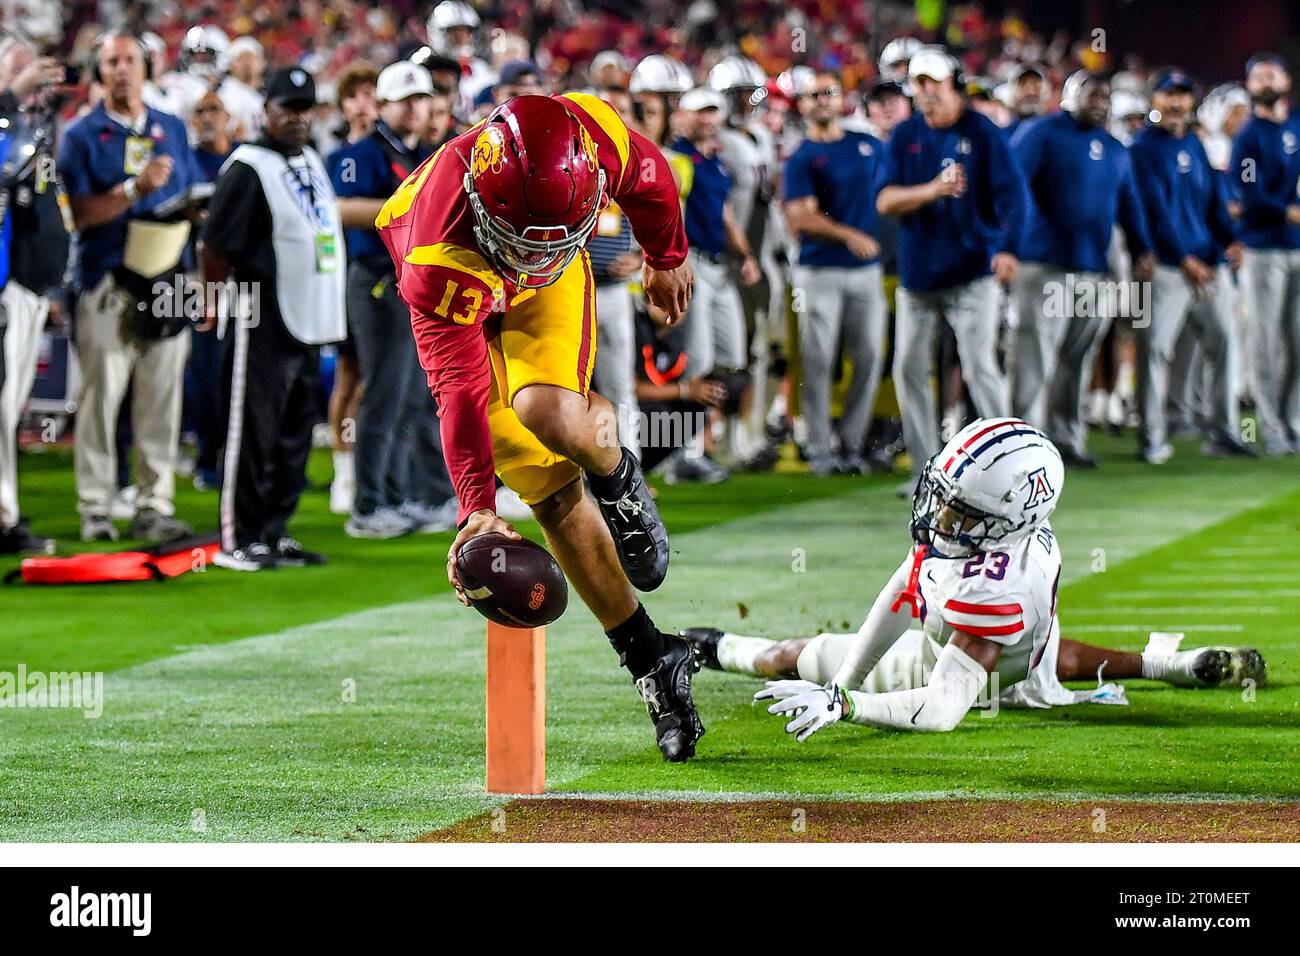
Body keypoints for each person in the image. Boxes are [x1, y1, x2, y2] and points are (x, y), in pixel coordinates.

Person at [374, 92, 702, 761]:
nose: (541, 257)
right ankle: (651, 661)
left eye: (556, 243)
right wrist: (476, 511)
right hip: (467, 286)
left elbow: (652, 176)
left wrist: (665, 253)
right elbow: (458, 392)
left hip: (522, 277)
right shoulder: (436, 253)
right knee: (550, 493)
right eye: (527, 246)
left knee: (547, 409)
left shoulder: (592, 134)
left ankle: (620, 479)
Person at [679, 418, 1266, 737]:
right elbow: (902, 589)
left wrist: (849, 704)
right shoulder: (1011, 534)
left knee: (787, 655)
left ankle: (714, 647)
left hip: (971, 674)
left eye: (960, 511)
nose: (939, 516)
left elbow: (939, 709)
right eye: (943, 496)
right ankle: (1170, 665)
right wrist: (847, 683)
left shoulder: (993, 588)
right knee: (1050, 658)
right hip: (1030, 652)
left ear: (1009, 517)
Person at [58, 32, 202, 543]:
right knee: (101, 398)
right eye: (111, 62)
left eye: (130, 61)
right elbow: (76, 216)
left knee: (161, 400)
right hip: (107, 281)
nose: (122, 70)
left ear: (147, 68)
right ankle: (96, 507)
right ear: (99, 73)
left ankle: (153, 504)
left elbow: (186, 191)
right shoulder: (79, 135)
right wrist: (132, 190)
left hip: (166, 276)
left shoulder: (170, 127)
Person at [200, 68, 346, 570]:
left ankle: (275, 528)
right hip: (260, 314)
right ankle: (239, 536)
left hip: (308, 315)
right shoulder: (247, 167)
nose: (299, 118)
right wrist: (213, 300)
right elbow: (215, 245)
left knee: (293, 430)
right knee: (252, 429)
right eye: (289, 108)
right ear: (267, 110)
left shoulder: (308, 158)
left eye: (306, 108)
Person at [877, 46, 1025, 497]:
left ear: (955, 86)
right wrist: (931, 191)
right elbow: (884, 201)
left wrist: (1008, 248)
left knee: (981, 366)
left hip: (973, 272)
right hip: (919, 277)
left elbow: (1014, 197)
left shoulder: (982, 132)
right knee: (908, 369)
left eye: (933, 84)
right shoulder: (904, 135)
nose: (925, 94)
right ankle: (929, 475)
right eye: (918, 85)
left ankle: (1012, 467)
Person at [329, 62, 453, 539]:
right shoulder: (360, 154)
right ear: (382, 105)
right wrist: (416, 212)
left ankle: (410, 494)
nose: (414, 108)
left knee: (416, 396)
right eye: (404, 100)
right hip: (379, 281)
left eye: (420, 99)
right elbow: (341, 209)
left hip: (419, 286)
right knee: (383, 394)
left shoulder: (426, 153)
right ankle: (368, 504)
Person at [1009, 71, 1155, 467]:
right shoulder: (1041, 133)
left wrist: (1142, 247)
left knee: (1078, 358)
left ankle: (1065, 439)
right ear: (1068, 96)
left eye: (1104, 96)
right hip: (1043, 266)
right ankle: (1019, 447)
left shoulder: (1114, 148)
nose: (1099, 102)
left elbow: (1129, 203)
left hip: (1092, 268)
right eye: (1090, 94)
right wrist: (1008, 244)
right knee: (1033, 357)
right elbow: (1012, 184)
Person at [1129, 70, 1248, 464]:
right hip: (1167, 269)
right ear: (1154, 100)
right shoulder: (1142, 147)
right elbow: (1153, 212)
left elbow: (1213, 200)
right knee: (1154, 351)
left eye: (1182, 96)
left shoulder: (1194, 144)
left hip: (1207, 266)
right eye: (1169, 96)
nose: (1177, 103)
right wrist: (1185, 259)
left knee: (1224, 343)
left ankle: (1224, 431)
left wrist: (1229, 240)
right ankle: (1152, 437)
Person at [783, 70, 889, 475]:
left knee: (869, 357)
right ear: (805, 105)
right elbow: (799, 217)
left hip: (866, 270)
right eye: (815, 95)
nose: (823, 100)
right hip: (818, 271)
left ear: (841, 98)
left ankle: (852, 444)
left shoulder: (866, 144)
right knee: (817, 360)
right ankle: (820, 448)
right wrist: (849, 235)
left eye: (829, 92)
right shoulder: (802, 156)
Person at [670, 86, 760, 481]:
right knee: (699, 359)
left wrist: (745, 253)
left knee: (732, 358)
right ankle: (684, 452)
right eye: (699, 112)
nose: (707, 119)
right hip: (691, 262)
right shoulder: (676, 156)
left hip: (719, 265)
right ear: (683, 116)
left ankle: (709, 442)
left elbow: (723, 212)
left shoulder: (715, 160)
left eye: (712, 112)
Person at [0, 37, 68, 555]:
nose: (33, 78)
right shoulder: (7, 123)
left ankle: (5, 512)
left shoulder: (31, 128)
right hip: (7, 284)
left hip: (25, 284)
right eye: (19, 68)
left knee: (10, 406)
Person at [1232, 54, 1300, 456]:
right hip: (1264, 247)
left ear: (1286, 80)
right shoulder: (1248, 134)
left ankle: (1293, 421)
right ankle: (1270, 428)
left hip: (1297, 246)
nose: (1264, 81)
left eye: (1270, 73)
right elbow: (1247, 190)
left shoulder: (1295, 124)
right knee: (1265, 341)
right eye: (1257, 76)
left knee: (1297, 340)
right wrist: (1286, 210)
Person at [323, 62, 379, 515]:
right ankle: (343, 471)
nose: (366, 104)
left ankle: (364, 465)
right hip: (346, 274)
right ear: (343, 105)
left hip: (380, 277)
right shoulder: (337, 156)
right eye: (356, 95)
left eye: (372, 94)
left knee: (372, 379)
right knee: (350, 375)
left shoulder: (387, 154)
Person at [217, 36, 266, 141]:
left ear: (262, 62)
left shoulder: (265, 92)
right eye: (241, 58)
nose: (247, 63)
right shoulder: (227, 94)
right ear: (230, 65)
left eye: (252, 57)